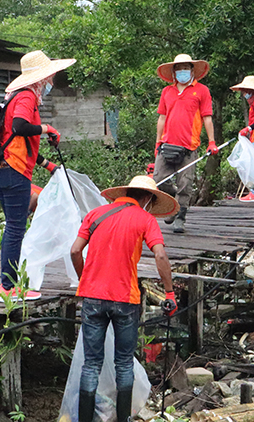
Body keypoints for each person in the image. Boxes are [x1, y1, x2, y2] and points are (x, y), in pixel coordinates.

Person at [70, 176, 178, 422]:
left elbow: (75, 250)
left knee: (91, 365)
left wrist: (84, 279)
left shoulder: (95, 214)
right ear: (148, 198)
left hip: (92, 297)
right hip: (125, 299)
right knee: (124, 363)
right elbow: (160, 255)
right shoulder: (146, 219)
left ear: (126, 193)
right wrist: (169, 293)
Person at [0, 50, 74, 301]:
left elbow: (19, 142)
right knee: (16, 229)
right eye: (50, 77)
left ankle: (9, 284)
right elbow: (20, 127)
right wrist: (47, 128)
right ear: (42, 78)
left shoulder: (15, 97)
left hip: (3, 169)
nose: (52, 82)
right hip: (14, 171)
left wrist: (47, 165)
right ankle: (8, 288)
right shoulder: (26, 96)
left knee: (13, 227)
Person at [153, 54, 219, 233]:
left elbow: (207, 118)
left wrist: (212, 142)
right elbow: (162, 118)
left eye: (186, 68)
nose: (182, 71)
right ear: (174, 72)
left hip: (189, 146)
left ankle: (180, 217)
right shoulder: (167, 91)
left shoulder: (202, 90)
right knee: (158, 180)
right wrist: (157, 142)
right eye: (179, 68)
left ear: (192, 70)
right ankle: (172, 205)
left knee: (185, 183)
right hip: (166, 144)